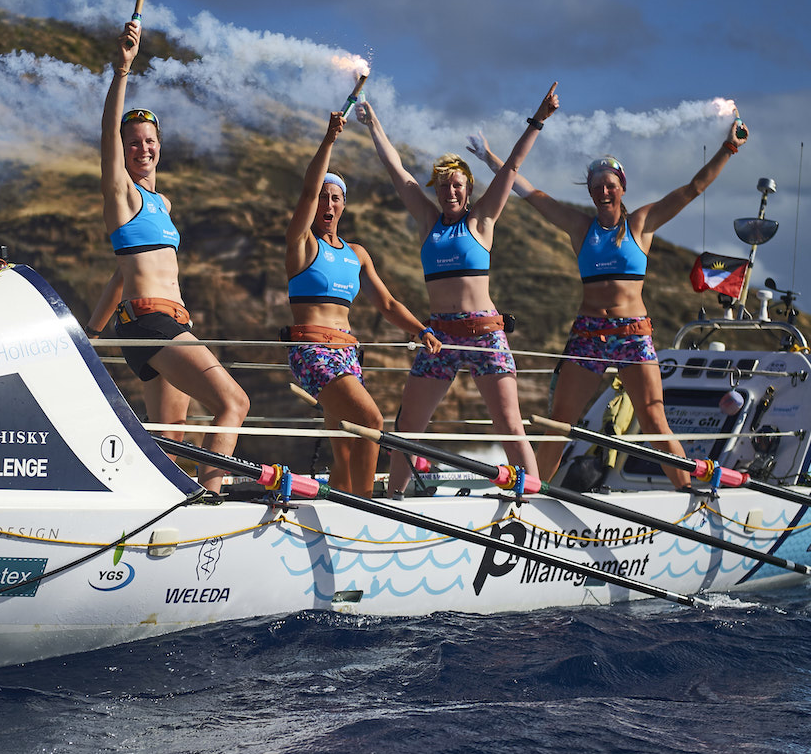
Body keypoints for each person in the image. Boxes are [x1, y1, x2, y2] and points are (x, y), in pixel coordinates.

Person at [480, 117, 750, 489]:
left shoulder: (642, 223)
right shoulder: (580, 227)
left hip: (632, 333)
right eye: (597, 187)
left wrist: (729, 148)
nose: (604, 192)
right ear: (591, 194)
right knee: (561, 421)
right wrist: (493, 160)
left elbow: (693, 188)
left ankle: (688, 492)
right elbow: (531, 194)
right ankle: (531, 495)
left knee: (654, 417)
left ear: (622, 188)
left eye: (610, 185)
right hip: (588, 335)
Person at [357, 84, 559, 497]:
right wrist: (375, 125)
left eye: (457, 186)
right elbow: (398, 173)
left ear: (468, 191)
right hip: (440, 337)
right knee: (407, 426)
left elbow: (512, 168)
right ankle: (393, 501)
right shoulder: (428, 222)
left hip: (485, 333)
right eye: (443, 185)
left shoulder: (481, 221)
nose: (449, 192)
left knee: (509, 425)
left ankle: (535, 500)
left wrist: (538, 120)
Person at [89, 20, 248, 493]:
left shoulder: (162, 205)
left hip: (160, 324)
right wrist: (123, 69)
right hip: (152, 325)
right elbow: (107, 137)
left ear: (160, 147)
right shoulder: (122, 195)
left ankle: (150, 513)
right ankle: (209, 501)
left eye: (149, 140)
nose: (142, 148)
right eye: (133, 141)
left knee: (169, 445)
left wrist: (91, 333)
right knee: (234, 404)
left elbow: (123, 273)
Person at [284, 109, 442, 497]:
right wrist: (330, 139)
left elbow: (387, 303)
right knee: (372, 419)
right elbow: (306, 192)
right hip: (313, 350)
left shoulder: (356, 253)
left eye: (335, 197)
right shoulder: (303, 245)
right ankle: (366, 503)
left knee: (347, 446)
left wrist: (421, 330)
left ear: (343, 205)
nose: (327, 202)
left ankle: (334, 516)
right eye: (322, 196)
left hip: (348, 355)